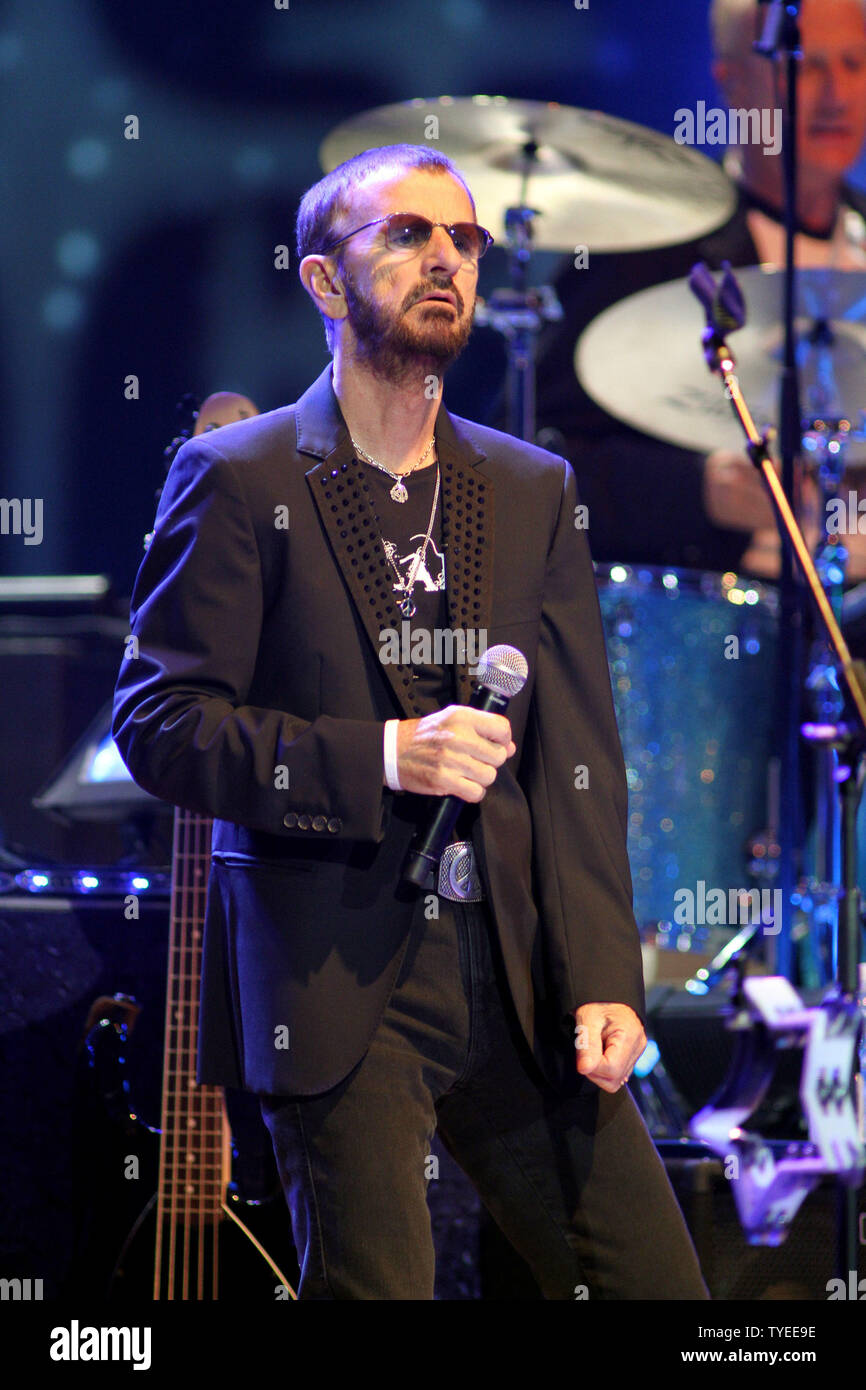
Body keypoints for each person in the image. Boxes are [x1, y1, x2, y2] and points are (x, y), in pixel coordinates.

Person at [112, 142, 708, 1300]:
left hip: (522, 974)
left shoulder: (528, 487)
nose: (445, 259)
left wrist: (601, 973)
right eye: (406, 234)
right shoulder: (240, 476)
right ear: (325, 281)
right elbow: (163, 720)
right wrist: (385, 755)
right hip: (338, 979)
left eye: (463, 239)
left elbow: (578, 752)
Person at [531, 0, 866, 578]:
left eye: (856, 63)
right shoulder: (648, 246)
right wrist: (698, 491)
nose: (836, 93)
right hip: (725, 627)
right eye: (806, 65)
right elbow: (528, 458)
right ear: (732, 83)